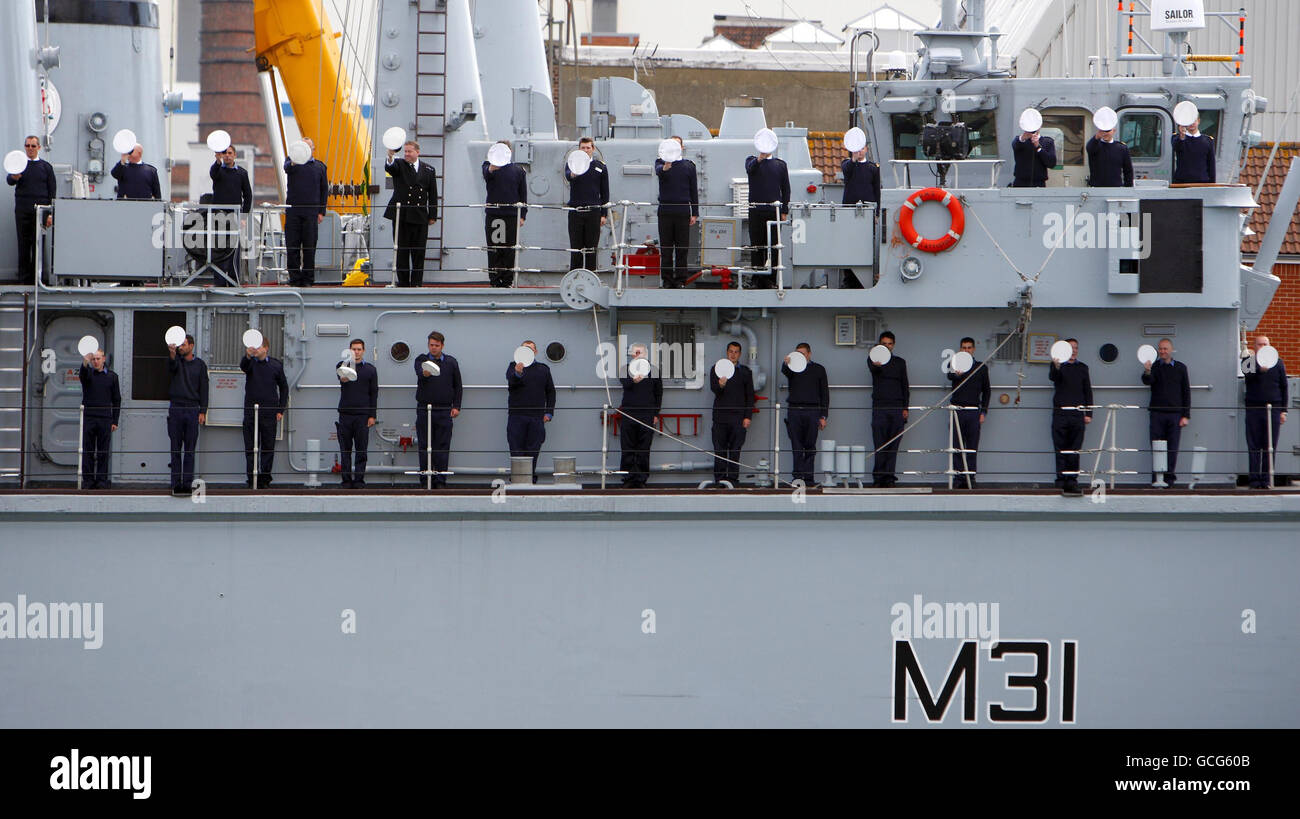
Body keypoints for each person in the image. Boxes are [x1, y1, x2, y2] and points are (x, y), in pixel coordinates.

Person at [384, 140, 439, 286]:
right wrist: (390, 156)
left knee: (419, 252)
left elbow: (433, 194)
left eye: (409, 151)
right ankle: (403, 283)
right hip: (401, 215)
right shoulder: (400, 165)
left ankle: (416, 283)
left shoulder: (429, 170)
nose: (406, 154)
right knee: (402, 251)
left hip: (420, 216)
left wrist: (433, 215)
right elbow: (390, 167)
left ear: (417, 152)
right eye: (405, 151)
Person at [414, 331, 463, 488]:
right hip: (424, 410)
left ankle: (440, 480)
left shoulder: (451, 362)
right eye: (431, 345)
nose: (433, 348)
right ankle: (424, 480)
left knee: (442, 446)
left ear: (442, 345)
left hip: (444, 410)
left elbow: (458, 386)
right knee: (424, 446)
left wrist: (456, 406)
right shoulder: (421, 360)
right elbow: (420, 373)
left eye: (436, 345)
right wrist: (426, 373)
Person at [6, 135, 55, 285]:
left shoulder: (46, 167)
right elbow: (9, 180)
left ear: (39, 147)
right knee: (23, 244)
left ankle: (38, 278)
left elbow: (52, 191)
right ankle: (24, 279)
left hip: (40, 212)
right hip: (23, 211)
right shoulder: (19, 165)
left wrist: (51, 213)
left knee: (39, 244)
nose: (30, 149)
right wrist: (15, 177)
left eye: (33, 146)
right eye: (27, 146)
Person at [239, 338, 288, 488]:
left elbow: (284, 388)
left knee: (267, 447)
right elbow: (243, 367)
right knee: (250, 447)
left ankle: (265, 479)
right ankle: (251, 477)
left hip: (269, 413)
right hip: (250, 412)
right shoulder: (250, 364)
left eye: (259, 346)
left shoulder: (275, 365)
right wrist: (247, 356)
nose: (256, 349)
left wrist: (280, 409)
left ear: (266, 347)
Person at [1141, 338, 1190, 487]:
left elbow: (1186, 392)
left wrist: (1186, 415)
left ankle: (1169, 480)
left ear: (1171, 350)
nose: (1163, 351)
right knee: (1156, 447)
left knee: (1172, 448)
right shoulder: (1154, 366)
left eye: (1165, 349)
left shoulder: (1181, 368)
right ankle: (1156, 479)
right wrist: (1147, 370)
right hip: (1157, 413)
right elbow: (1147, 381)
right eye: (1160, 349)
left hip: (1175, 414)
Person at [506, 340, 555, 482]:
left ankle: (529, 479)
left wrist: (549, 412)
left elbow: (550, 392)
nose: (528, 352)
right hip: (516, 416)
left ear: (536, 352)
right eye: (525, 349)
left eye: (531, 349)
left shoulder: (543, 369)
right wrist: (518, 373)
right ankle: (517, 479)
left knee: (533, 450)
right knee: (516, 449)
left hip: (536, 417)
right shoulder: (512, 367)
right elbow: (511, 382)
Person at [1049, 338, 1093, 496]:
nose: (1074, 350)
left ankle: (1072, 480)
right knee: (1060, 448)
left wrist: (1088, 413)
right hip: (1061, 413)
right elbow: (1054, 378)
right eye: (1071, 348)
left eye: (1076, 347)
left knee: (1074, 449)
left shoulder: (1082, 368)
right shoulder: (1058, 365)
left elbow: (1087, 391)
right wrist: (1056, 366)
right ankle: (1060, 480)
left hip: (1077, 413)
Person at [1243, 335, 1288, 489]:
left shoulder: (1279, 363)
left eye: (1265, 344)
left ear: (1270, 345)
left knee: (1270, 445)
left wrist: (1284, 410)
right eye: (1259, 344)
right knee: (1254, 445)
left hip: (1273, 408)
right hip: (1254, 408)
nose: (1262, 346)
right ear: (1255, 346)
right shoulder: (1249, 361)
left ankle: (1267, 479)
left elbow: (1284, 387)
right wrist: (1259, 369)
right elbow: (1247, 375)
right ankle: (1255, 480)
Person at [166, 334, 208, 496]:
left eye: (183, 345)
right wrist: (172, 353)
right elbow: (171, 366)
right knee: (175, 448)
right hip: (176, 408)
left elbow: (204, 389)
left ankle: (187, 482)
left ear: (191, 346)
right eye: (179, 346)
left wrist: (203, 411)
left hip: (192, 409)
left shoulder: (200, 365)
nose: (180, 348)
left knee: (190, 449)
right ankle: (176, 484)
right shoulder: (177, 361)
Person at [709, 341, 755, 487]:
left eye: (736, 352)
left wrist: (748, 416)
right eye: (731, 351)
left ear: (740, 354)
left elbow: (750, 396)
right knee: (719, 451)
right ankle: (720, 480)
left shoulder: (745, 372)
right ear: (726, 352)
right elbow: (714, 389)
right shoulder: (716, 369)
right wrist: (720, 385)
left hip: (738, 418)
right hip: (720, 418)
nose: (733, 354)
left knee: (735, 451)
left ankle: (733, 480)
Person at [947, 337, 991, 489]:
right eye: (963, 348)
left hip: (973, 411)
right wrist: (958, 373)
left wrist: (983, 411)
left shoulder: (981, 367)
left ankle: (970, 478)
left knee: (972, 447)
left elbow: (987, 391)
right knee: (957, 447)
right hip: (957, 410)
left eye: (969, 348)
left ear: (973, 349)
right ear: (960, 349)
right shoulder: (954, 363)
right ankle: (959, 479)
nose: (966, 350)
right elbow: (950, 375)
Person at [782, 342, 829, 486]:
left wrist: (823, 415)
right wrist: (786, 363)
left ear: (809, 354)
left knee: (810, 446)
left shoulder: (819, 369)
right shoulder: (792, 368)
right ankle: (797, 477)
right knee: (796, 445)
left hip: (812, 410)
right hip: (795, 410)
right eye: (797, 353)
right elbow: (785, 372)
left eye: (802, 353)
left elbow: (824, 394)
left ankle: (808, 478)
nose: (799, 356)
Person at [283, 138, 329, 286]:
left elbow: (324, 190)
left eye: (308, 147)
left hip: (311, 212)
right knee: (292, 246)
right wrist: (296, 158)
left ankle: (308, 278)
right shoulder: (292, 163)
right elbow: (287, 168)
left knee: (309, 247)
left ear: (313, 149)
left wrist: (321, 211)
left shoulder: (319, 167)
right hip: (293, 211)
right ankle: (295, 278)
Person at [654, 136, 698, 289]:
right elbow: (661, 172)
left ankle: (680, 280)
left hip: (682, 209)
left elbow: (693, 190)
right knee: (666, 248)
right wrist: (667, 163)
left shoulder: (689, 166)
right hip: (665, 209)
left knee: (681, 248)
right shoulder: (660, 163)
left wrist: (695, 212)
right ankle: (666, 279)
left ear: (682, 147)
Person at [744, 145, 790, 289]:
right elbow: (750, 169)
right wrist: (760, 159)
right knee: (757, 246)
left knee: (774, 246)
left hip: (773, 211)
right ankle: (757, 278)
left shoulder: (780, 165)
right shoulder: (752, 161)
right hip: (756, 210)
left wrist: (784, 209)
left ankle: (771, 279)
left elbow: (786, 189)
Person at [482, 140, 527, 287]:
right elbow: (486, 174)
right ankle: (495, 280)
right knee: (494, 248)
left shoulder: (518, 171)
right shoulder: (488, 167)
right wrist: (493, 166)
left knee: (509, 249)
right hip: (494, 214)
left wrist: (523, 215)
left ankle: (507, 280)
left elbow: (523, 194)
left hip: (512, 215)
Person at [618, 343, 662, 488]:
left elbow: (658, 392)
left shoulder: (654, 370)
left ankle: (641, 479)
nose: (637, 355)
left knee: (644, 448)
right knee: (627, 447)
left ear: (645, 354)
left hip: (647, 414)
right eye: (635, 353)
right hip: (629, 413)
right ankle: (628, 479)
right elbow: (625, 383)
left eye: (640, 353)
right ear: (631, 355)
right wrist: (633, 380)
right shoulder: (625, 369)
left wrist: (656, 413)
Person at [868, 331, 909, 487]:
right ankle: (878, 477)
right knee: (879, 444)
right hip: (880, 407)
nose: (887, 346)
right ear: (879, 344)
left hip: (897, 407)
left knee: (893, 445)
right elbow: (874, 370)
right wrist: (876, 362)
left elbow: (905, 385)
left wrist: (905, 407)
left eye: (889, 343)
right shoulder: (873, 360)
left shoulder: (900, 362)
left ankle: (889, 477)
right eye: (884, 343)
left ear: (893, 345)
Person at [336, 338, 377, 489]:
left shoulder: (370, 370)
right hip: (345, 414)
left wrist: (372, 415)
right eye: (353, 349)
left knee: (361, 450)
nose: (356, 352)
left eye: (359, 349)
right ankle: (346, 480)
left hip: (362, 416)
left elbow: (374, 393)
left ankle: (359, 480)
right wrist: (347, 369)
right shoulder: (342, 366)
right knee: (345, 450)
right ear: (350, 350)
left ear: (364, 351)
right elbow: (343, 377)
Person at [209, 144, 252, 286]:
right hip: (219, 216)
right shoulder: (218, 171)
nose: (227, 155)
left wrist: (244, 216)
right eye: (224, 153)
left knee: (234, 250)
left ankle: (234, 281)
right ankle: (219, 281)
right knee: (219, 248)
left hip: (235, 216)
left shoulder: (242, 173)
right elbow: (213, 174)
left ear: (235, 155)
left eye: (229, 153)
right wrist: (217, 160)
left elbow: (248, 195)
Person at [564, 137, 609, 272]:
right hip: (576, 211)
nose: (585, 150)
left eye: (588, 147)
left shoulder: (600, 166)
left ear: (593, 149)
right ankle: (575, 275)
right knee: (576, 247)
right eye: (583, 147)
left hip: (593, 212)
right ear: (579, 149)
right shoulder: (571, 164)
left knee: (591, 247)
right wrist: (574, 172)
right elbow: (568, 175)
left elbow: (605, 192)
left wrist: (604, 214)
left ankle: (591, 275)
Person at [78, 348, 121, 490]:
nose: (95, 362)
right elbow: (83, 375)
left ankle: (102, 480)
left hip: (105, 419)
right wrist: (85, 361)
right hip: (89, 417)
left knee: (103, 451)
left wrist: (115, 421)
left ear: (104, 359)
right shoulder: (88, 374)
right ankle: (88, 480)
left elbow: (116, 399)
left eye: (98, 359)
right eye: (93, 359)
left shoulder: (112, 377)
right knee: (88, 450)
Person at [840, 143, 880, 289]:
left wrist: (876, 212)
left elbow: (877, 191)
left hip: (868, 212)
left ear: (866, 149)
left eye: (862, 148)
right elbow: (847, 170)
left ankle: (864, 277)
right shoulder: (848, 164)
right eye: (857, 149)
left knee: (865, 244)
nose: (860, 151)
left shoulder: (873, 168)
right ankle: (849, 278)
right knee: (849, 245)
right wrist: (853, 159)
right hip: (849, 211)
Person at [1086, 122, 1133, 187]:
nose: (1105, 133)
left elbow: (1128, 170)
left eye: (1108, 131)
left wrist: (1128, 189)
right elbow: (1089, 148)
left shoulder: (1122, 148)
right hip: (1097, 188)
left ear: (1114, 131)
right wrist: (1097, 137)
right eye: (1103, 131)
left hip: (1115, 188)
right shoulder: (1095, 146)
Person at [1010, 124, 1056, 188]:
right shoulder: (1020, 141)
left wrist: (1038, 147)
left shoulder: (1047, 142)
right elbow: (1015, 145)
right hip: (1020, 183)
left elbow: (1051, 163)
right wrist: (1023, 138)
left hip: (1039, 183)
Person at [1171, 116, 1215, 184]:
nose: (1192, 124)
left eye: (1194, 120)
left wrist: (1212, 184)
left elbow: (1211, 165)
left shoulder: (1208, 141)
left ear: (1199, 121)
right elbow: (1176, 146)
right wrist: (1182, 135)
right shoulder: (1178, 138)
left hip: (1202, 183)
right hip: (1182, 182)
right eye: (1189, 121)